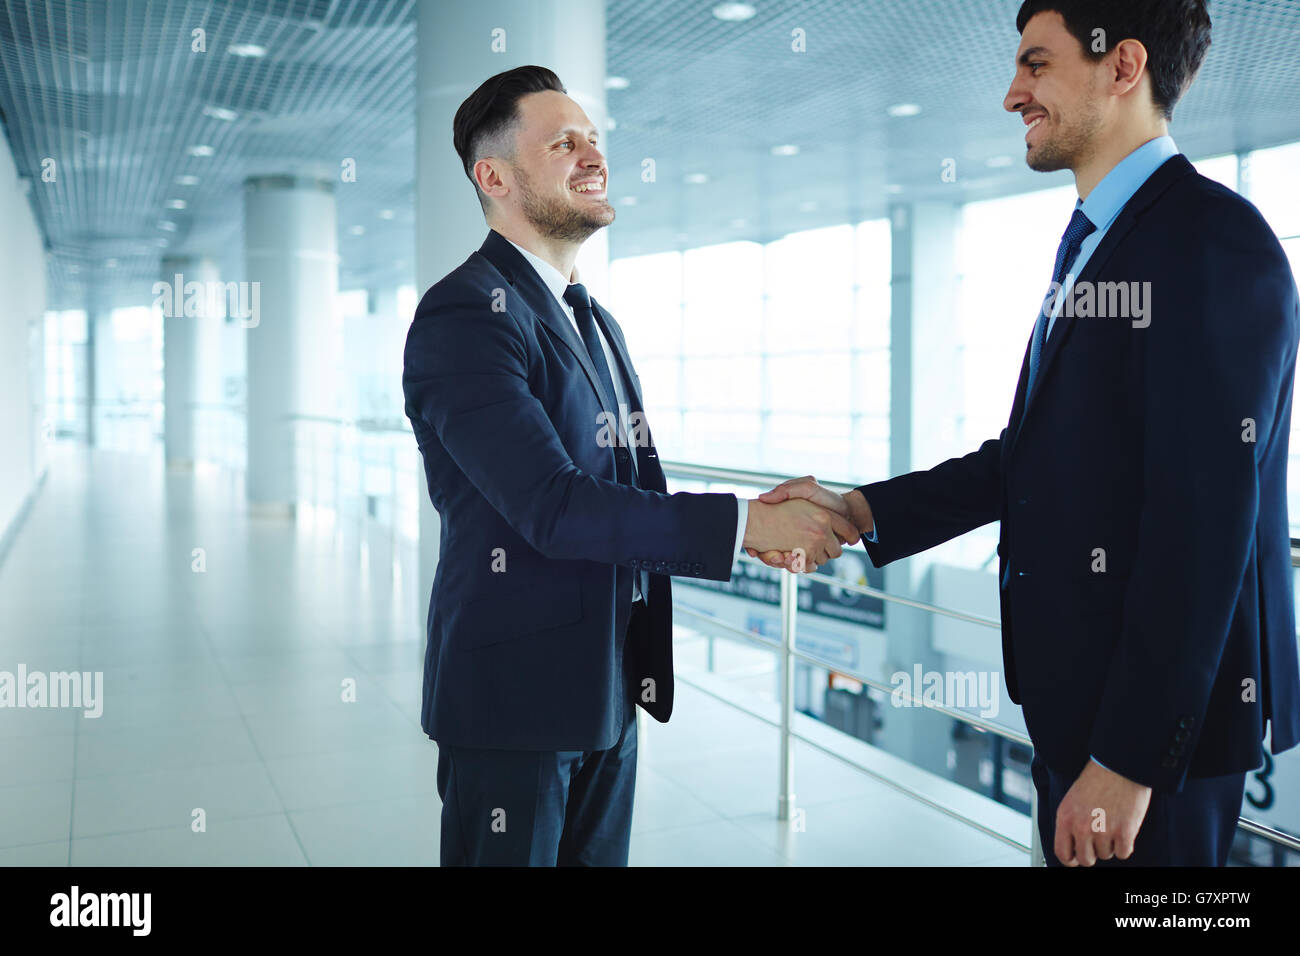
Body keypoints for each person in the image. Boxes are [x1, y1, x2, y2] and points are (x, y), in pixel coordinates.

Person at [754, 0, 1300, 866]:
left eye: (1036, 65)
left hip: (1151, 751)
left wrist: (1127, 761)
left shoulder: (1210, 243)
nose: (1013, 94)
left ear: (1123, 67)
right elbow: (1038, 457)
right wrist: (859, 511)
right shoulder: (1104, 239)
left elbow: (1202, 525)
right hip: (1083, 717)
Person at [402, 65, 857, 866]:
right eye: (562, 144)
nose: (593, 156)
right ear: (493, 177)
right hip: (515, 701)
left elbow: (626, 493)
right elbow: (555, 505)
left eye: (593, 139)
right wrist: (746, 526)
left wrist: (752, 527)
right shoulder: (466, 312)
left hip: (608, 688)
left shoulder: (594, 321)